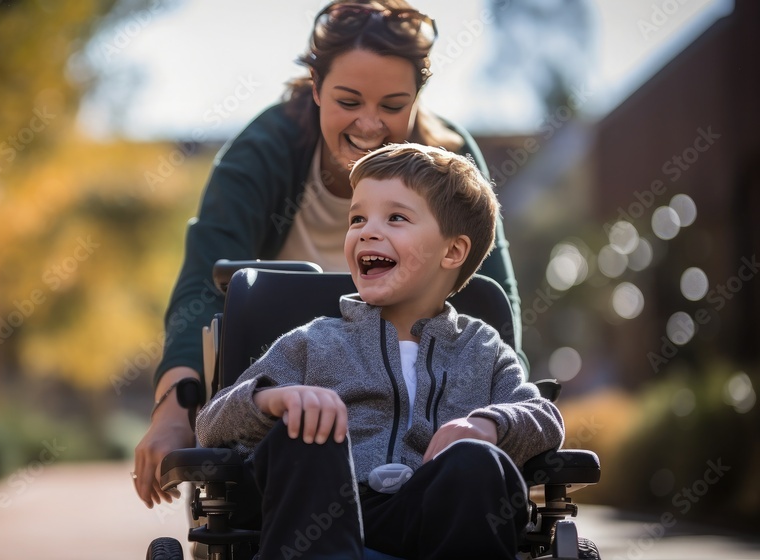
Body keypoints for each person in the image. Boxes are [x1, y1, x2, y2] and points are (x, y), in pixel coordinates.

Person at [133, 0, 524, 508]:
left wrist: (497, 418)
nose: (369, 124)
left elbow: (492, 297)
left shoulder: (447, 165)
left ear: (416, 100)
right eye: (348, 100)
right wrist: (173, 411)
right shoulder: (264, 152)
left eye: (391, 105)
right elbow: (202, 289)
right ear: (316, 88)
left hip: (424, 406)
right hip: (298, 390)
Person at [195, 143, 564, 559]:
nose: (366, 231)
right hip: (325, 517)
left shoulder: (482, 349)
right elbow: (211, 424)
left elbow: (544, 418)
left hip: (433, 516)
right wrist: (271, 399)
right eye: (357, 218)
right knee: (309, 436)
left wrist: (488, 426)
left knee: (475, 463)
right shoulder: (314, 341)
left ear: (453, 251)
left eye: (396, 218)